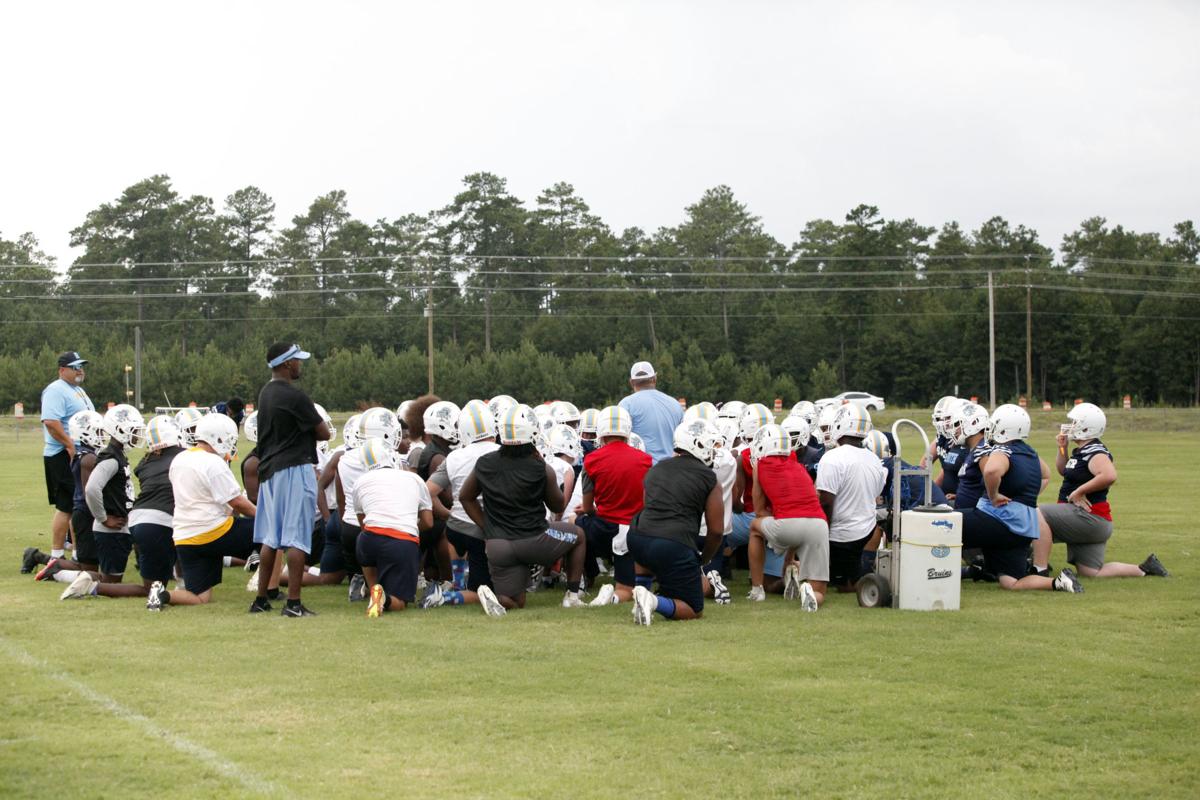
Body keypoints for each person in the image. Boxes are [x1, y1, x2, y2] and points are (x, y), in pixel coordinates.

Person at [459, 405, 588, 615]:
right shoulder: (540, 468)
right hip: (534, 540)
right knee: (579, 535)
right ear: (533, 432)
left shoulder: (485, 463)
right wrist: (546, 468)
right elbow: (557, 506)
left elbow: (465, 497)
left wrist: (486, 526)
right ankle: (572, 596)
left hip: (498, 545)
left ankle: (497, 598)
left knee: (515, 602)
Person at [1033, 403, 1167, 579]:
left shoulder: (1095, 452)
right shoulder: (1083, 450)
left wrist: (1080, 491)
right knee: (1091, 572)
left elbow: (1109, 475)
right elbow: (1064, 470)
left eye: (1075, 422)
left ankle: (1039, 569)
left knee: (1035, 513)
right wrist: (1062, 448)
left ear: (1086, 427)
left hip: (1088, 517)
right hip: (1093, 521)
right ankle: (1145, 568)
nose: (1071, 426)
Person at [60, 415, 186, 600]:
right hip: (114, 525)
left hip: (131, 522)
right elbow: (92, 489)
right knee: (130, 584)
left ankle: (82, 579)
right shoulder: (110, 458)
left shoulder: (138, 460)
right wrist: (103, 517)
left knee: (114, 578)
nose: (137, 436)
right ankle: (74, 578)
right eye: (134, 431)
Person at [959, 404, 1081, 593]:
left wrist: (993, 495)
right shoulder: (1030, 453)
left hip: (998, 519)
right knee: (1011, 581)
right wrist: (1023, 496)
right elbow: (1045, 475)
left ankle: (934, 573)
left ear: (1003, 429)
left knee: (943, 526)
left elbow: (991, 471)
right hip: (1022, 528)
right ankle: (1058, 582)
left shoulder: (1003, 450)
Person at [251, 342, 331, 617]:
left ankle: (261, 598)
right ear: (287, 363)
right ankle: (293, 604)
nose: (300, 364)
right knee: (297, 537)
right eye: (297, 360)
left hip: (269, 470)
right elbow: (324, 433)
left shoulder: (265, 393)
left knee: (270, 538)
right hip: (295, 468)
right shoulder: (295, 395)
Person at [147, 413, 256, 610]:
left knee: (200, 597)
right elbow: (237, 502)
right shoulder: (213, 462)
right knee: (272, 534)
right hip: (214, 531)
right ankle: (268, 588)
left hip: (185, 538)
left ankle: (162, 594)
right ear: (218, 437)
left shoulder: (179, 459)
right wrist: (265, 517)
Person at [627, 419, 725, 625]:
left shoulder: (657, 468)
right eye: (710, 444)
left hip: (637, 537)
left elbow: (647, 505)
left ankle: (641, 592)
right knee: (693, 609)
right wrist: (704, 559)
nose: (714, 451)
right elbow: (716, 530)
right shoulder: (709, 478)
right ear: (697, 444)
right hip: (672, 543)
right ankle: (651, 601)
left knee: (648, 545)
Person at [424, 403, 501, 607]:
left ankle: (458, 582)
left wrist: (446, 513)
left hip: (455, 528)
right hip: (483, 530)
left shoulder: (454, 457)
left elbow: (427, 491)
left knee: (458, 531)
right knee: (484, 592)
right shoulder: (502, 453)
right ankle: (443, 598)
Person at [745, 423, 829, 611]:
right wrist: (789, 557)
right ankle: (809, 592)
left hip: (790, 524)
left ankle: (757, 589)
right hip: (819, 524)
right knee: (820, 592)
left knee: (755, 527)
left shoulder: (761, 465)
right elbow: (803, 511)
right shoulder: (799, 466)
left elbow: (759, 510)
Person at [577, 406, 652, 606]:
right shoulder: (645, 460)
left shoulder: (592, 459)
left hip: (603, 529)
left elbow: (587, 507)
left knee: (575, 523)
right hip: (634, 531)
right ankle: (614, 597)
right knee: (626, 589)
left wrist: (593, 511)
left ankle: (585, 577)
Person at [353, 437, 434, 617]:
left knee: (363, 539)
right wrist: (408, 528)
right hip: (401, 542)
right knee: (400, 603)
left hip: (368, 540)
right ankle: (384, 599)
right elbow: (428, 522)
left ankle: (374, 591)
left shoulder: (360, 482)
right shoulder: (414, 479)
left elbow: (363, 524)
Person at [814, 404, 886, 591]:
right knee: (850, 572)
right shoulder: (874, 459)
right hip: (867, 530)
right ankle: (856, 576)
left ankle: (847, 580)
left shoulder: (832, 457)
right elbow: (875, 494)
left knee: (840, 583)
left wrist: (821, 535)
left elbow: (826, 502)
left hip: (841, 535)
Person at [26, 410, 103, 577]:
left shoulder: (85, 455)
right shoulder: (87, 458)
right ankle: (54, 570)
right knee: (91, 574)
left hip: (83, 513)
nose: (101, 435)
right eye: (97, 432)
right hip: (86, 513)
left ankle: (39, 557)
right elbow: (90, 491)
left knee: (88, 565)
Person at [38, 351, 95, 563]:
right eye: (75, 367)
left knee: (78, 505)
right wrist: (70, 446)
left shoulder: (77, 390)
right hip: (63, 454)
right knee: (67, 505)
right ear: (62, 370)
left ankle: (78, 553)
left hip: (80, 452)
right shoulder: (55, 390)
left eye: (81, 366)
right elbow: (51, 422)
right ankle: (57, 555)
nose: (80, 370)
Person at [618, 361, 683, 464]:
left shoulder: (626, 405)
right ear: (654, 379)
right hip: (671, 468)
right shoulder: (675, 404)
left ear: (631, 382)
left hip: (641, 468)